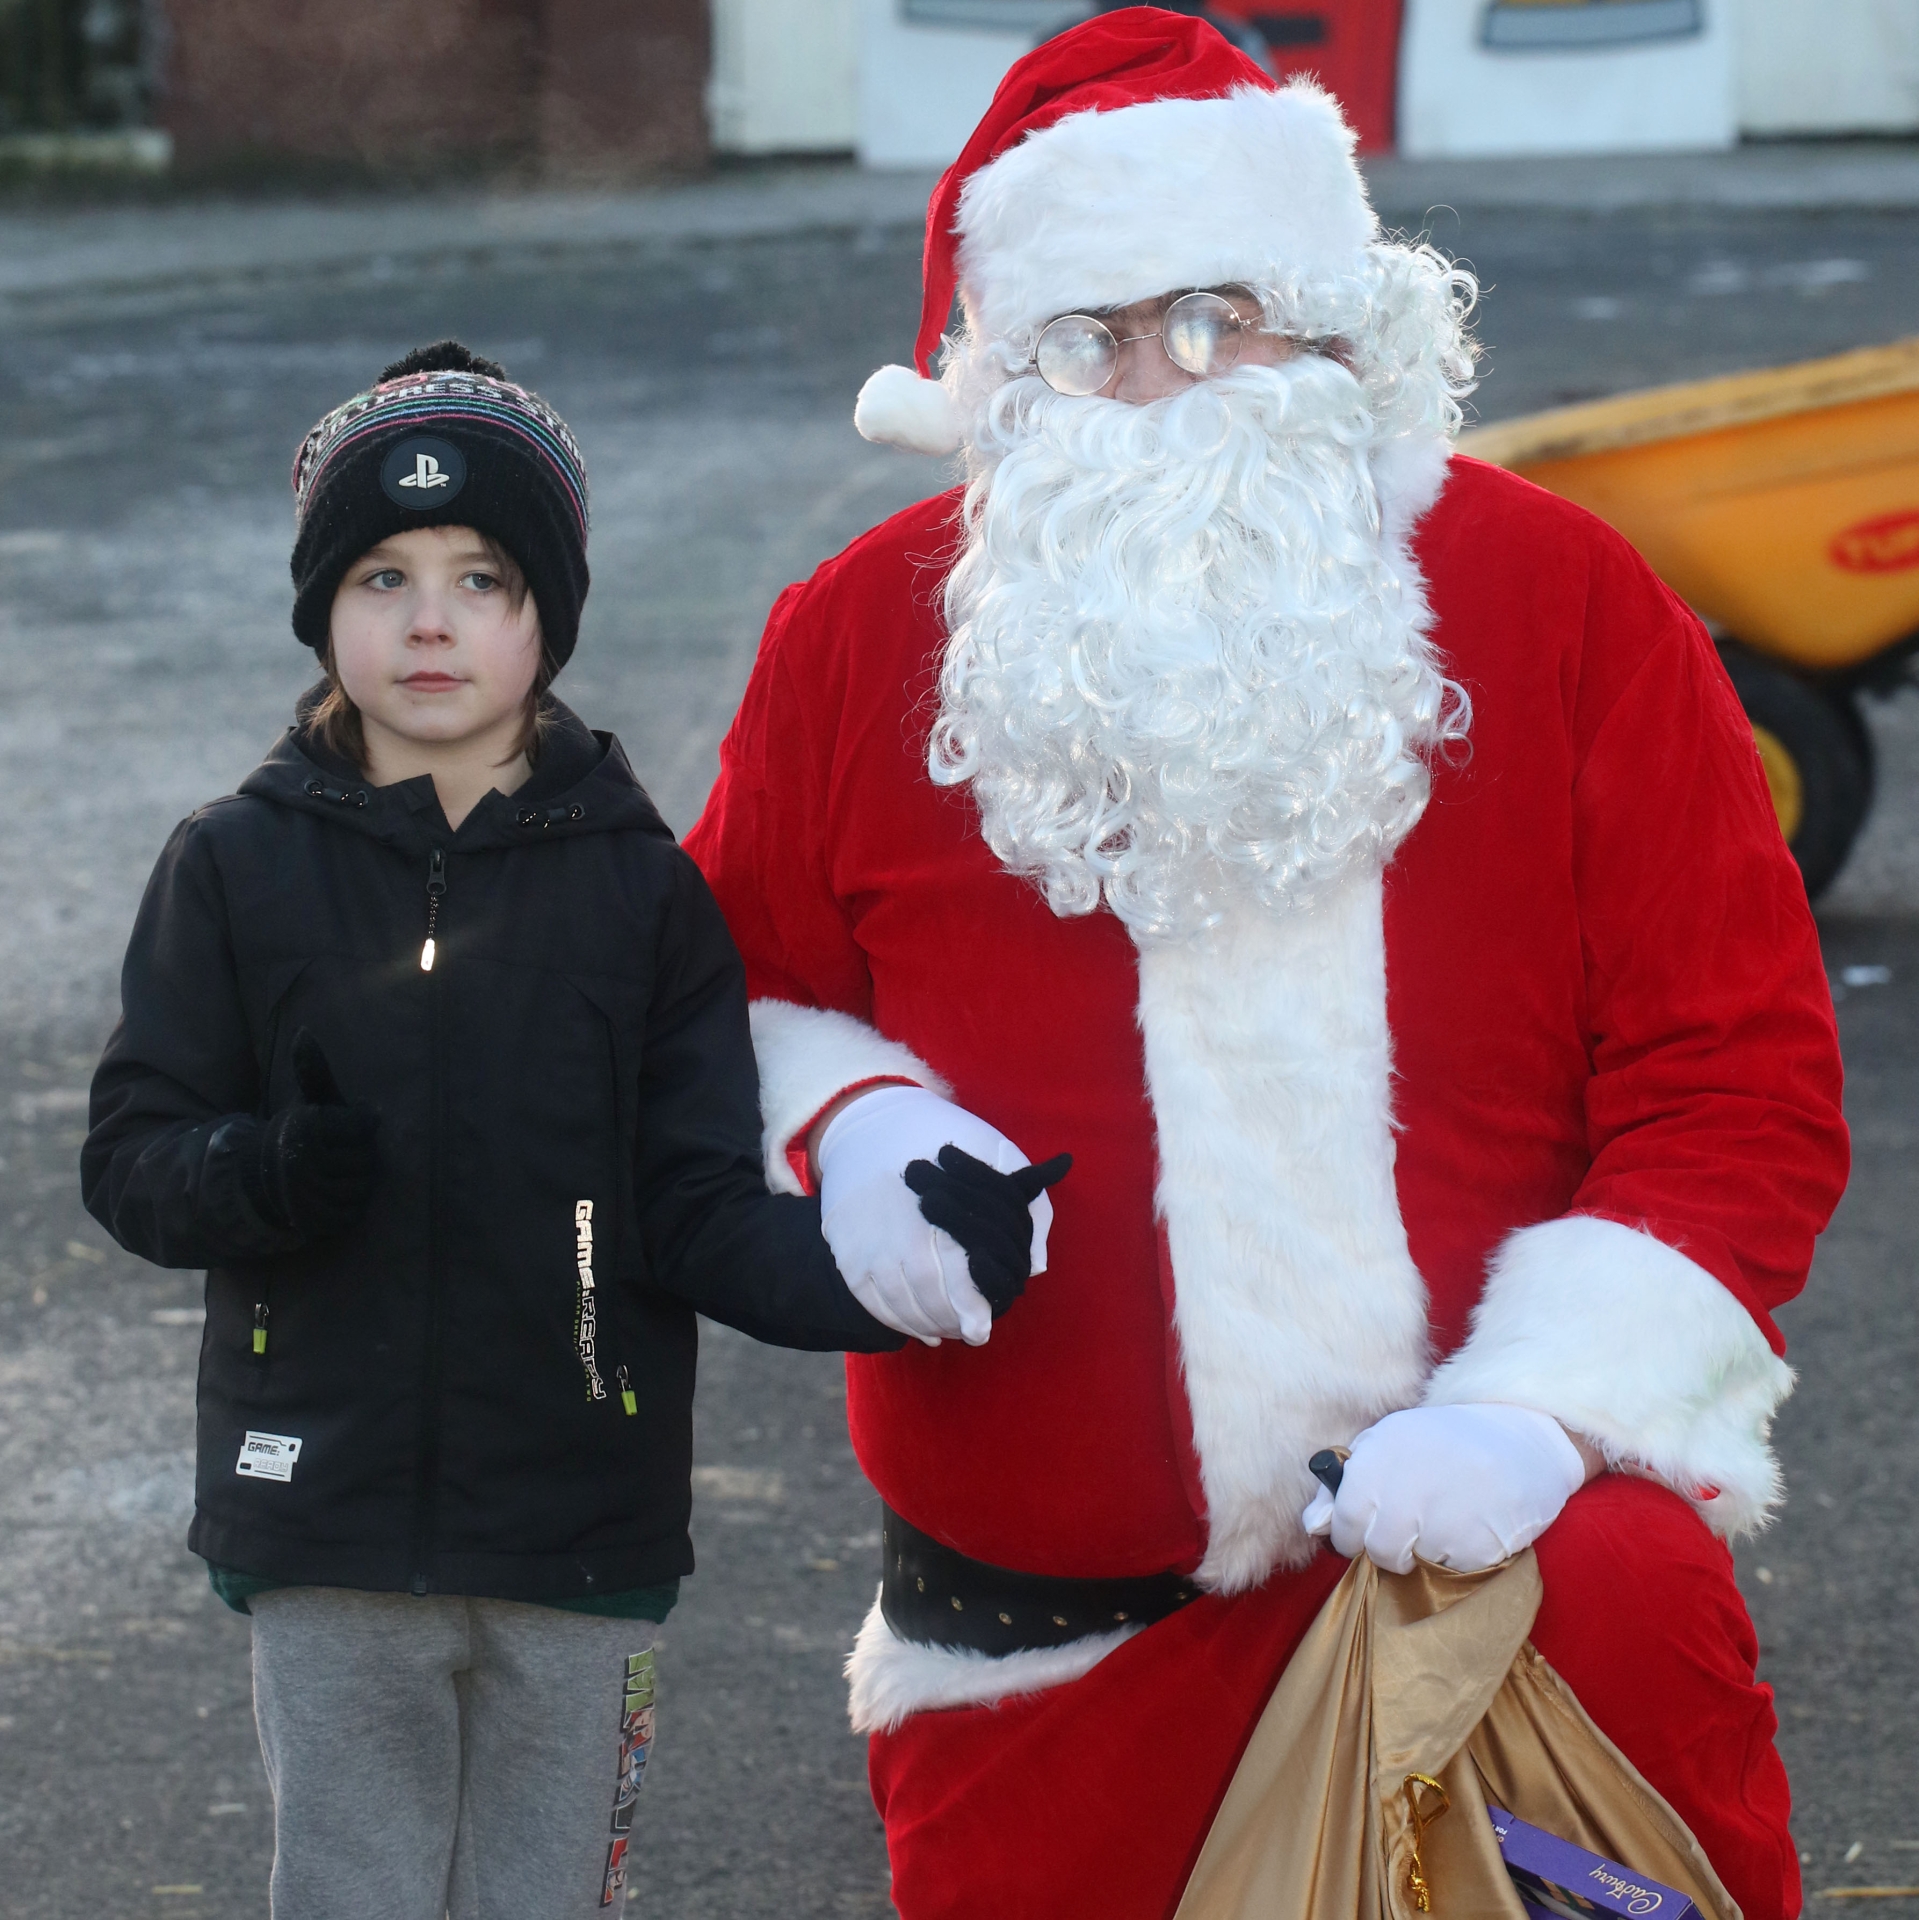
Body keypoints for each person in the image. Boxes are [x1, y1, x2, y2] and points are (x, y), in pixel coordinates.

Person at [683, 14, 1849, 1920]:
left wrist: (1544, 1407)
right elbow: (719, 993)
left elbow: (1735, 1077)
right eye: (1092, 340)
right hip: (1043, 1661)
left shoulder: (1565, 603)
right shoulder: (857, 637)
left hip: (1506, 1596)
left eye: (1219, 317)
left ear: (1340, 328)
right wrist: (858, 1124)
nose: (1163, 384)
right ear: (1003, 378)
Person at [80, 341, 1062, 1920]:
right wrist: (258, 1175)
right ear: (323, 609)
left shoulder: (641, 892)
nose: (430, 622)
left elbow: (694, 1205)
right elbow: (132, 1152)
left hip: (580, 1522)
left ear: (548, 617)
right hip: (323, 1512)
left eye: (483, 580)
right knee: (350, 1888)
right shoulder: (234, 868)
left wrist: (890, 1270)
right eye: (384, 578)